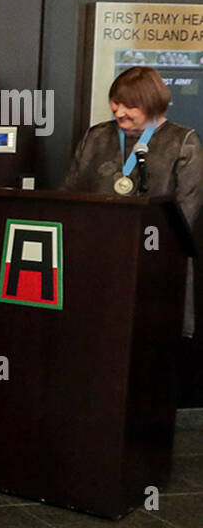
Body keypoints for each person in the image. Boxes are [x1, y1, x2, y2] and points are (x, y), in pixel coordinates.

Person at [62, 65, 203, 334]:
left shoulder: (183, 141)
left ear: (153, 104)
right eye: (115, 103)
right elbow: (69, 193)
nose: (119, 112)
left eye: (129, 106)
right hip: (93, 255)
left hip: (153, 264)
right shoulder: (96, 136)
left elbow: (185, 213)